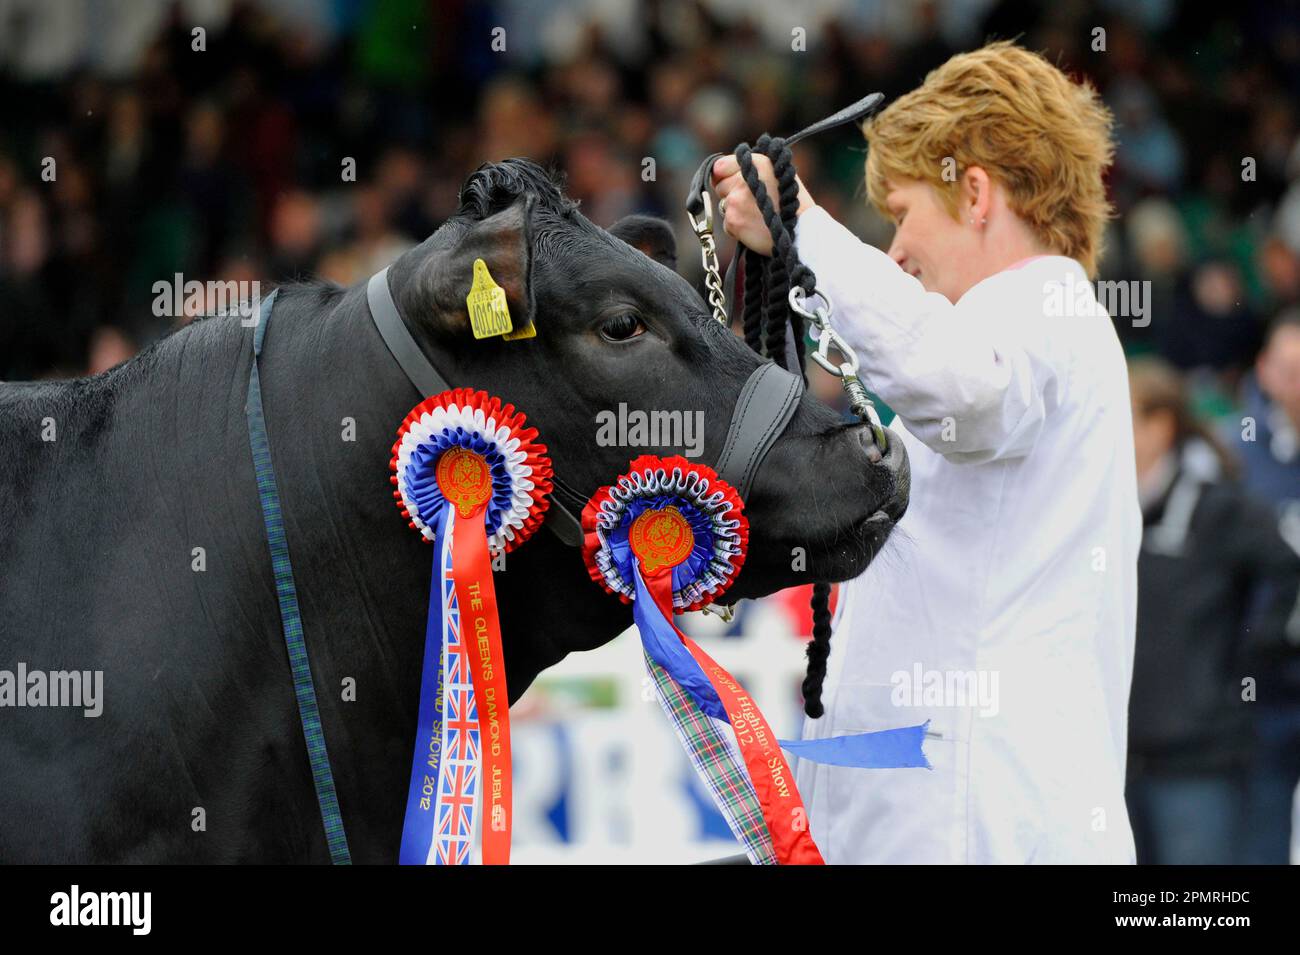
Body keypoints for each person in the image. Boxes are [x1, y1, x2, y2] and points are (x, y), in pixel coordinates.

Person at [711, 41, 1139, 863]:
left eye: (903, 215)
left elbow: (965, 391)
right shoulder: (1019, 331)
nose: (896, 251)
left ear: (975, 192)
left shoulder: (1044, 309)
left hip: (978, 826)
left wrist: (805, 232)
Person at [1126, 358, 1300, 864]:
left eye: (1126, 417)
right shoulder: (1099, 507)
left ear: (1162, 425)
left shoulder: (1219, 508)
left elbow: (1287, 570)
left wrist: (1248, 655)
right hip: (1116, 752)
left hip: (1197, 759)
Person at [1230, 308, 1300, 864]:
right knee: (1264, 841)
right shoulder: (1236, 453)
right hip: (1265, 684)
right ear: (1265, 371)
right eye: (1289, 369)